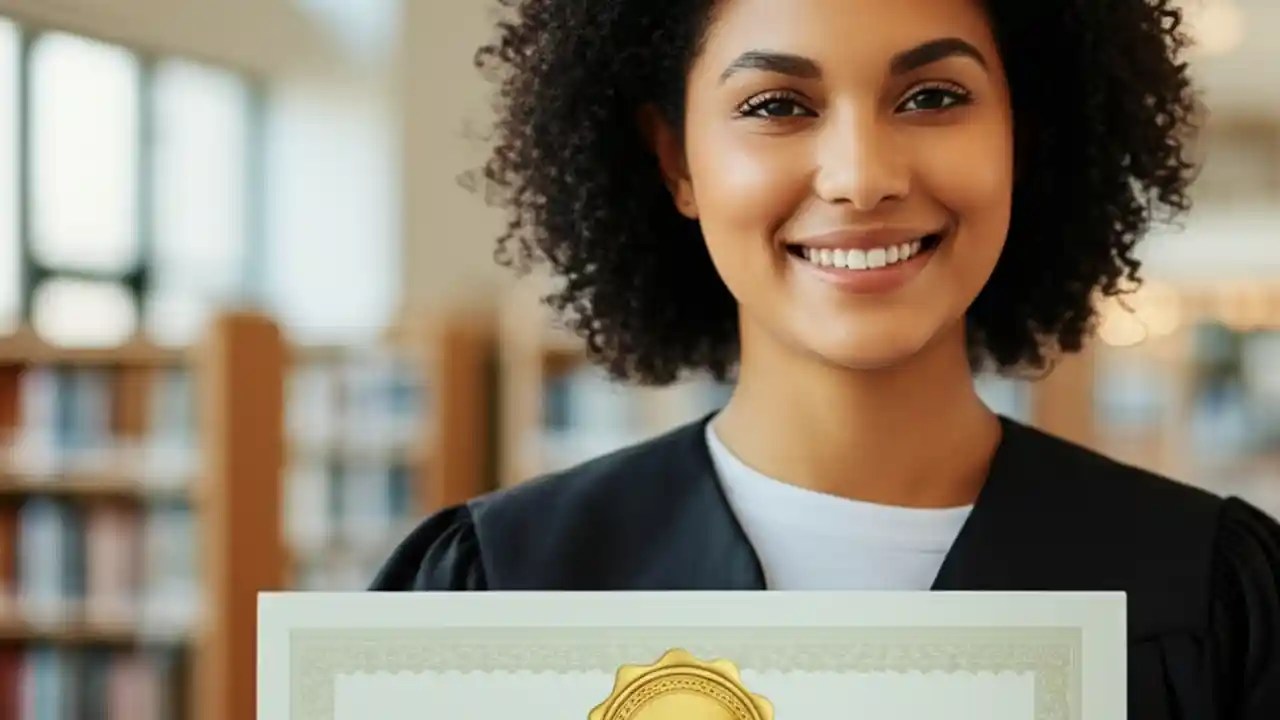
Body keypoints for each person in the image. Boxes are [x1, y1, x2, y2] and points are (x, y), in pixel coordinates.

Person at [372, 0, 1280, 716]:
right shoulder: (497, 585)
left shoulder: (1210, 593)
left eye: (933, 97)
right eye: (776, 106)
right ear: (675, 161)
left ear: (1023, 138)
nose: (861, 174)